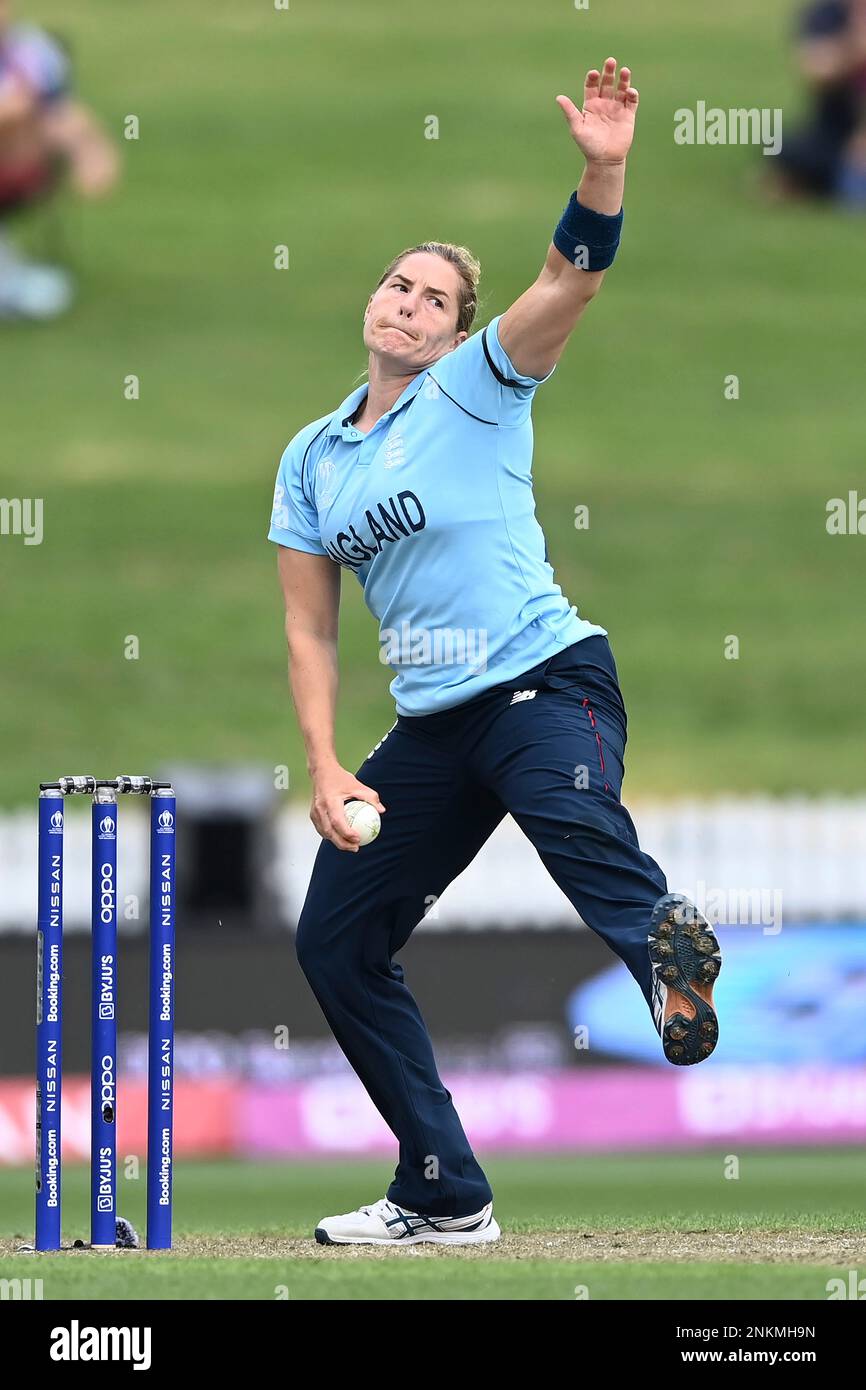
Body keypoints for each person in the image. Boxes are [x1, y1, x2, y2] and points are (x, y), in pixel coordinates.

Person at [269, 58, 722, 1248]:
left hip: (541, 677)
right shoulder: (312, 457)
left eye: (431, 297)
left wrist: (603, 167)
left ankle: (664, 966)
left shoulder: (478, 386)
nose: (408, 304)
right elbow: (310, 625)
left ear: (456, 330)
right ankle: (440, 1187)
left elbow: (570, 277)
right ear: (369, 303)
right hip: (430, 723)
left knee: (567, 817)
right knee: (335, 938)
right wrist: (323, 763)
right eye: (395, 285)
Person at [0, 0, 118, 319]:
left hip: (19, 169)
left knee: (27, 114)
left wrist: (90, 149)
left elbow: (61, 114)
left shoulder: (31, 54)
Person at [770, 0, 866, 204]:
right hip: (835, 131)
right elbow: (816, 69)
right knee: (778, 144)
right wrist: (855, 45)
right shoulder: (827, 14)